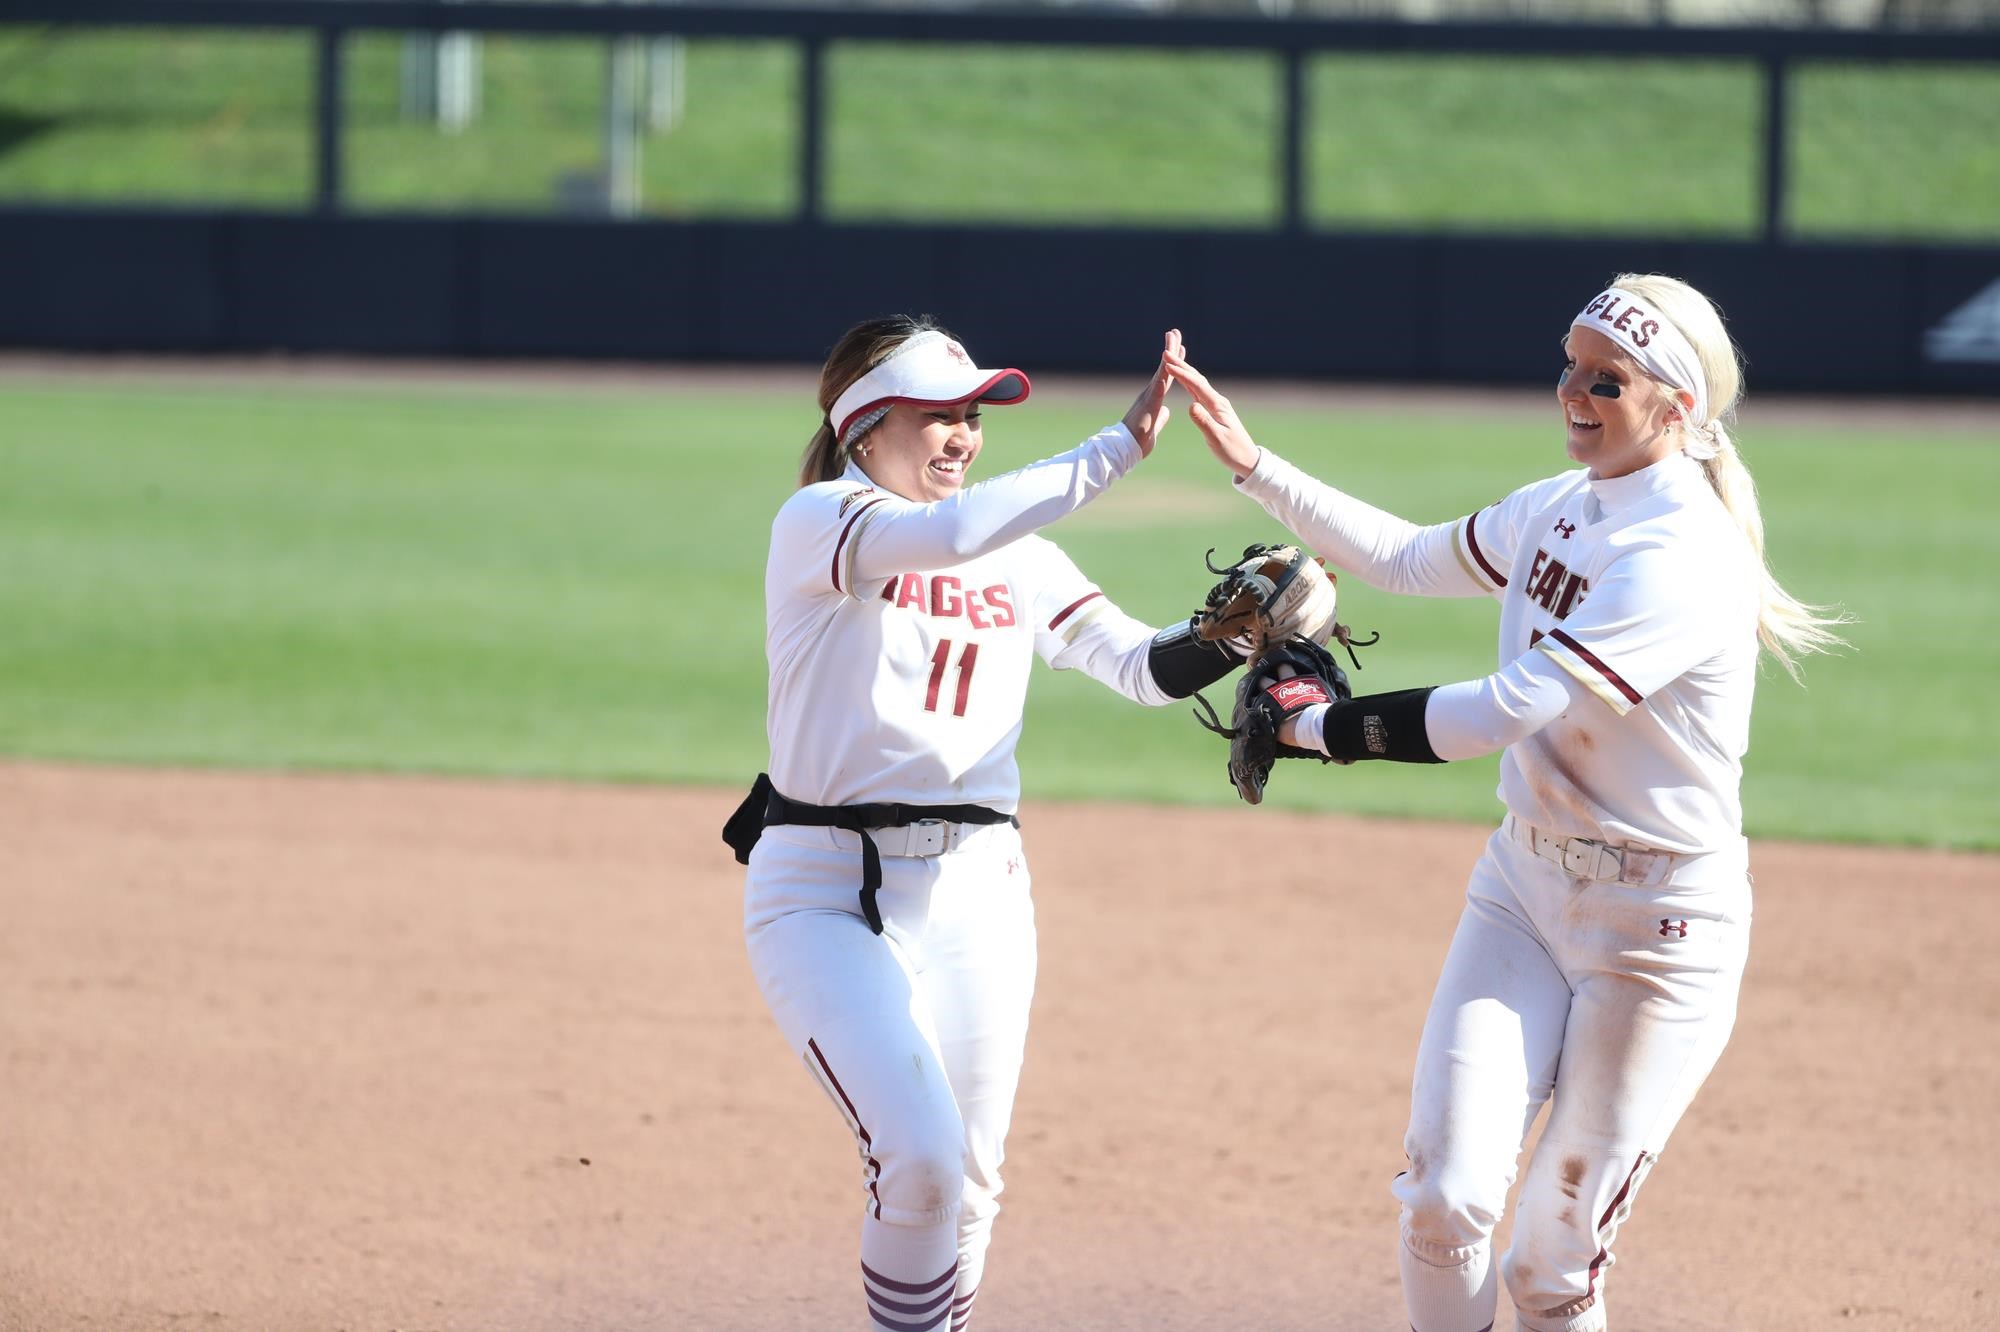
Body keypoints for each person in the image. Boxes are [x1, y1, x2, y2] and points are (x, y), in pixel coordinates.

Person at [1164, 273, 1847, 1332]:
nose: (1572, 392)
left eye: (1604, 380)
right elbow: (1398, 555)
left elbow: (1500, 710)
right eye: (1568, 366)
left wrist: (1307, 726)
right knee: (1442, 1201)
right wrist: (1254, 467)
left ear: (1675, 406)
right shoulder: (1556, 506)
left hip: (1655, 933)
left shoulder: (1679, 556)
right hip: (1522, 892)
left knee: (1551, 1264)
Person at [726, 317, 1245, 1331]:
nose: (961, 435)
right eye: (937, 414)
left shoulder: (1025, 562)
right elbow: (950, 536)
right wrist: (1118, 446)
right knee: (914, 1158)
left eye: (972, 415)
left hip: (979, 893)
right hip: (824, 891)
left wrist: (1234, 635)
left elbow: (1141, 668)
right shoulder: (824, 521)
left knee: (964, 1181)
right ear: (865, 427)